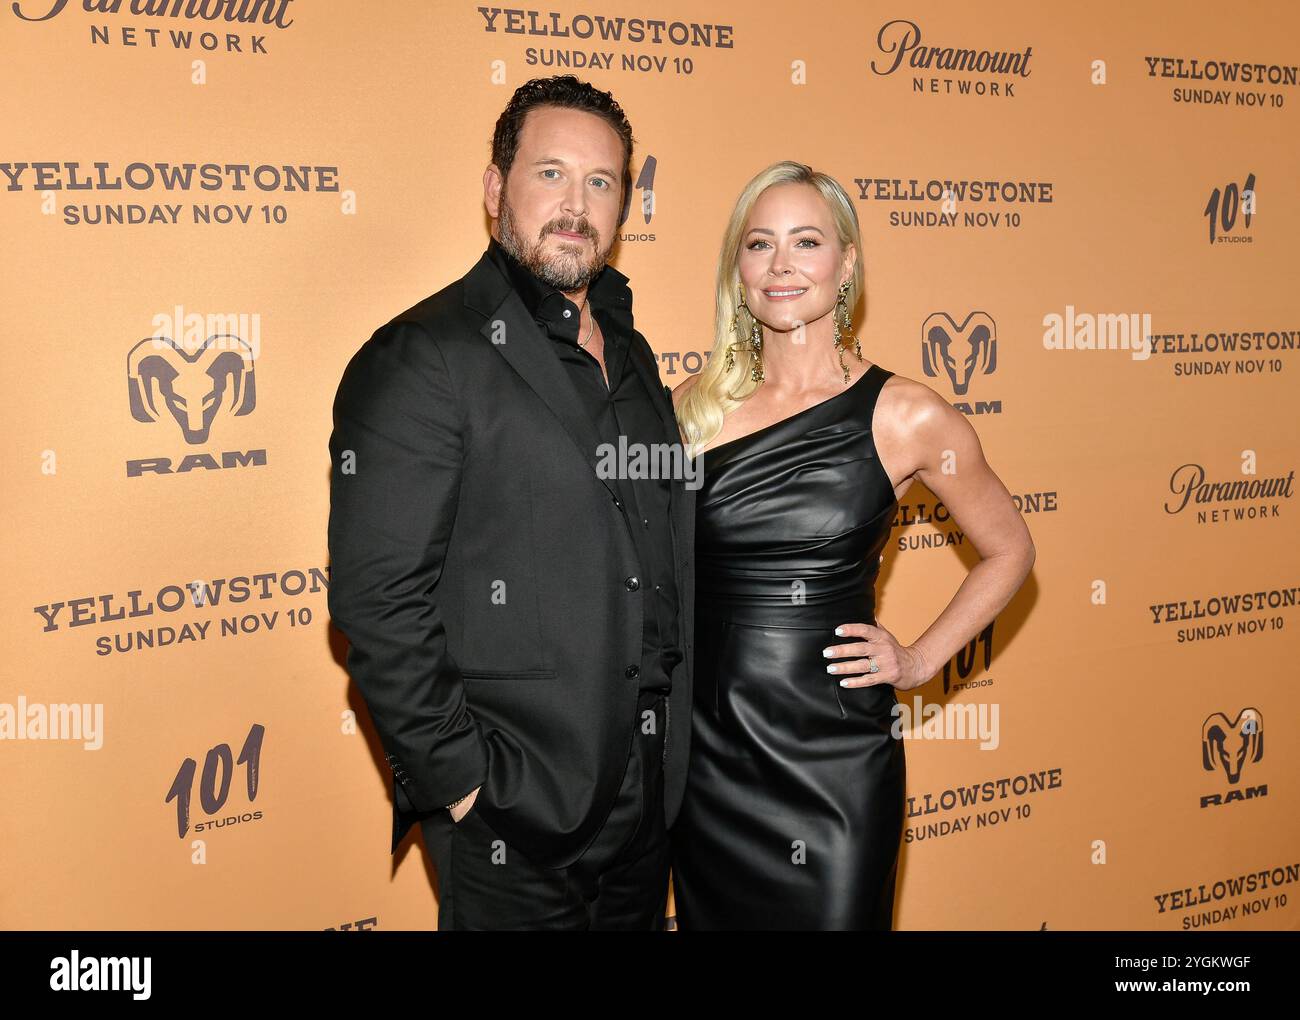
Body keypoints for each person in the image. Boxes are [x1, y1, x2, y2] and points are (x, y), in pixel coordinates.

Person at [327, 75, 695, 930]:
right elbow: (377, 600)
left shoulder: (633, 355)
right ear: (496, 189)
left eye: (602, 183)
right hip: (515, 811)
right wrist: (464, 785)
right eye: (551, 175)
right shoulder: (424, 354)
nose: (577, 205)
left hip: (648, 804)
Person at [669, 161, 1035, 930]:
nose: (780, 265)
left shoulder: (905, 414)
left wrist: (919, 660)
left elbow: (1010, 551)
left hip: (833, 763)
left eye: (806, 242)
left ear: (846, 265)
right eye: (759, 244)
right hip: (708, 760)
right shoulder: (689, 413)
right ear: (737, 268)